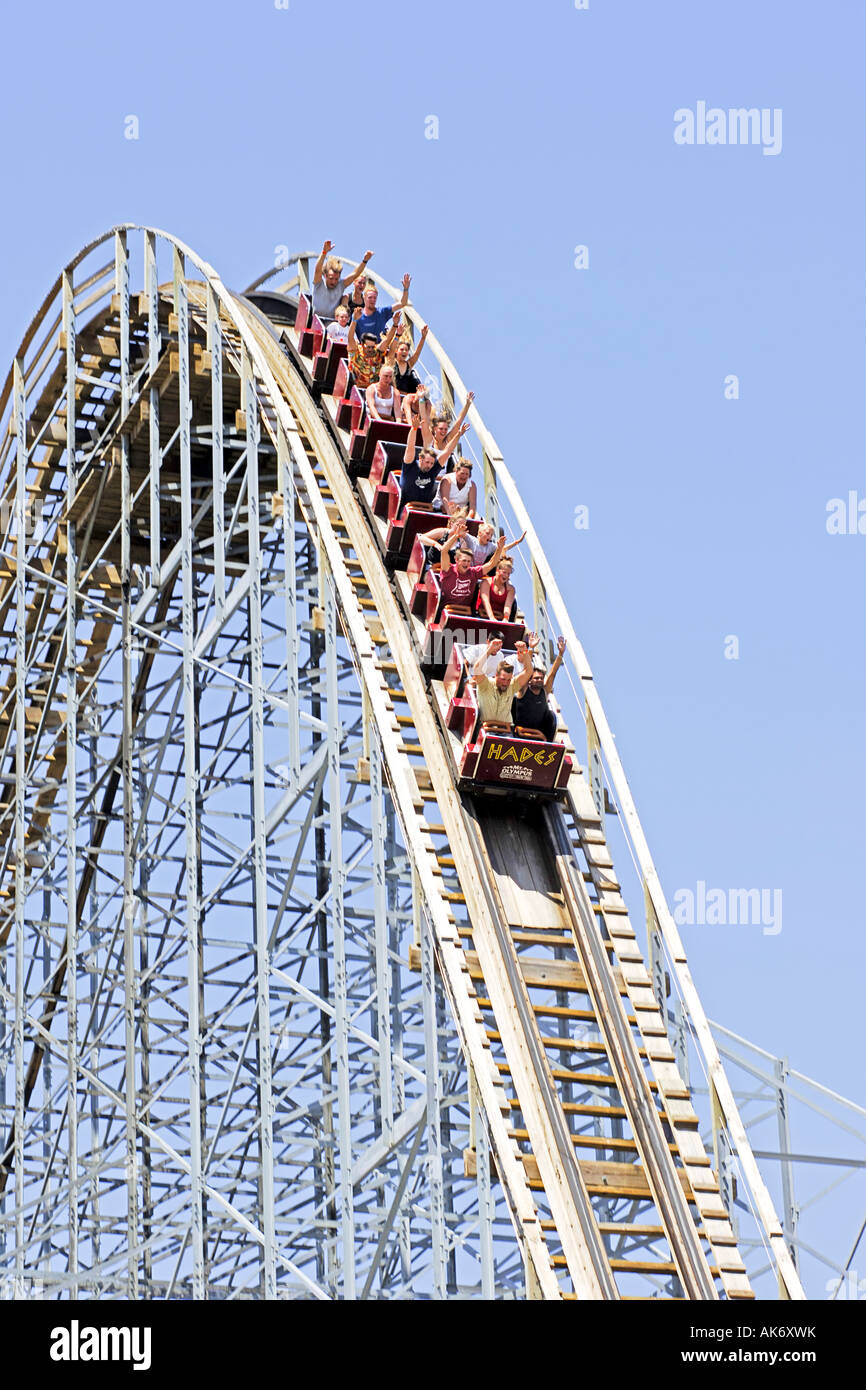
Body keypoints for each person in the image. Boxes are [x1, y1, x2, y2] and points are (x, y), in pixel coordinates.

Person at [512, 636, 567, 741]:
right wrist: (531, 649)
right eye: (536, 678)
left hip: (538, 731)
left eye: (541, 678)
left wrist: (560, 654)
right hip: (520, 729)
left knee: (551, 716)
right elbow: (527, 669)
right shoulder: (523, 690)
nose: (539, 680)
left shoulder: (544, 691)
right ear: (529, 680)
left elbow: (552, 674)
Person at [437, 530, 505, 610]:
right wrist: (456, 535)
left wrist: (499, 549)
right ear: (457, 560)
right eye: (464, 561)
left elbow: (491, 564)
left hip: (465, 611)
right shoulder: (449, 569)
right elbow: (444, 551)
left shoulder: (473, 572)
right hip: (445, 608)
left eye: (469, 561)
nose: (466, 564)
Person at [473, 638, 533, 727]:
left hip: (505, 731)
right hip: (485, 729)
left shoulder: (512, 686)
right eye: (503, 679)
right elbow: (477, 669)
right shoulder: (485, 684)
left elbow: (528, 671)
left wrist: (524, 651)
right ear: (496, 675)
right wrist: (489, 650)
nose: (505, 683)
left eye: (508, 680)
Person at [311, 241, 372, 323]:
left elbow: (355, 274)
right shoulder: (319, 283)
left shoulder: (340, 285)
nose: (333, 282)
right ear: (325, 276)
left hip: (332, 324)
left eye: (336, 279)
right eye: (331, 278)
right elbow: (317, 269)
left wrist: (365, 261)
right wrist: (324, 252)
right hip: (315, 322)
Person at [348, 309, 402, 390]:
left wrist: (395, 325)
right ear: (362, 345)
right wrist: (354, 320)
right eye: (368, 347)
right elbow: (350, 338)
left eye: (372, 347)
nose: (370, 349)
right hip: (357, 388)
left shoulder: (376, 352)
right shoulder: (356, 351)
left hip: (376, 389)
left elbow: (387, 340)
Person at [355, 275, 411, 340]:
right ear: (364, 297)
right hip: (362, 348)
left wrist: (406, 289)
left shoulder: (382, 312)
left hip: (378, 348)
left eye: (375, 298)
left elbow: (402, 303)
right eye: (370, 297)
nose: (373, 300)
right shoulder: (357, 315)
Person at [390, 325, 429, 395]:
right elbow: (392, 349)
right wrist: (398, 335)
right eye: (402, 349)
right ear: (397, 351)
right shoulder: (392, 361)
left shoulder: (409, 364)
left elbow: (417, 353)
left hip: (404, 397)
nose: (404, 352)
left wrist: (423, 337)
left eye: (406, 350)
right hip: (393, 395)